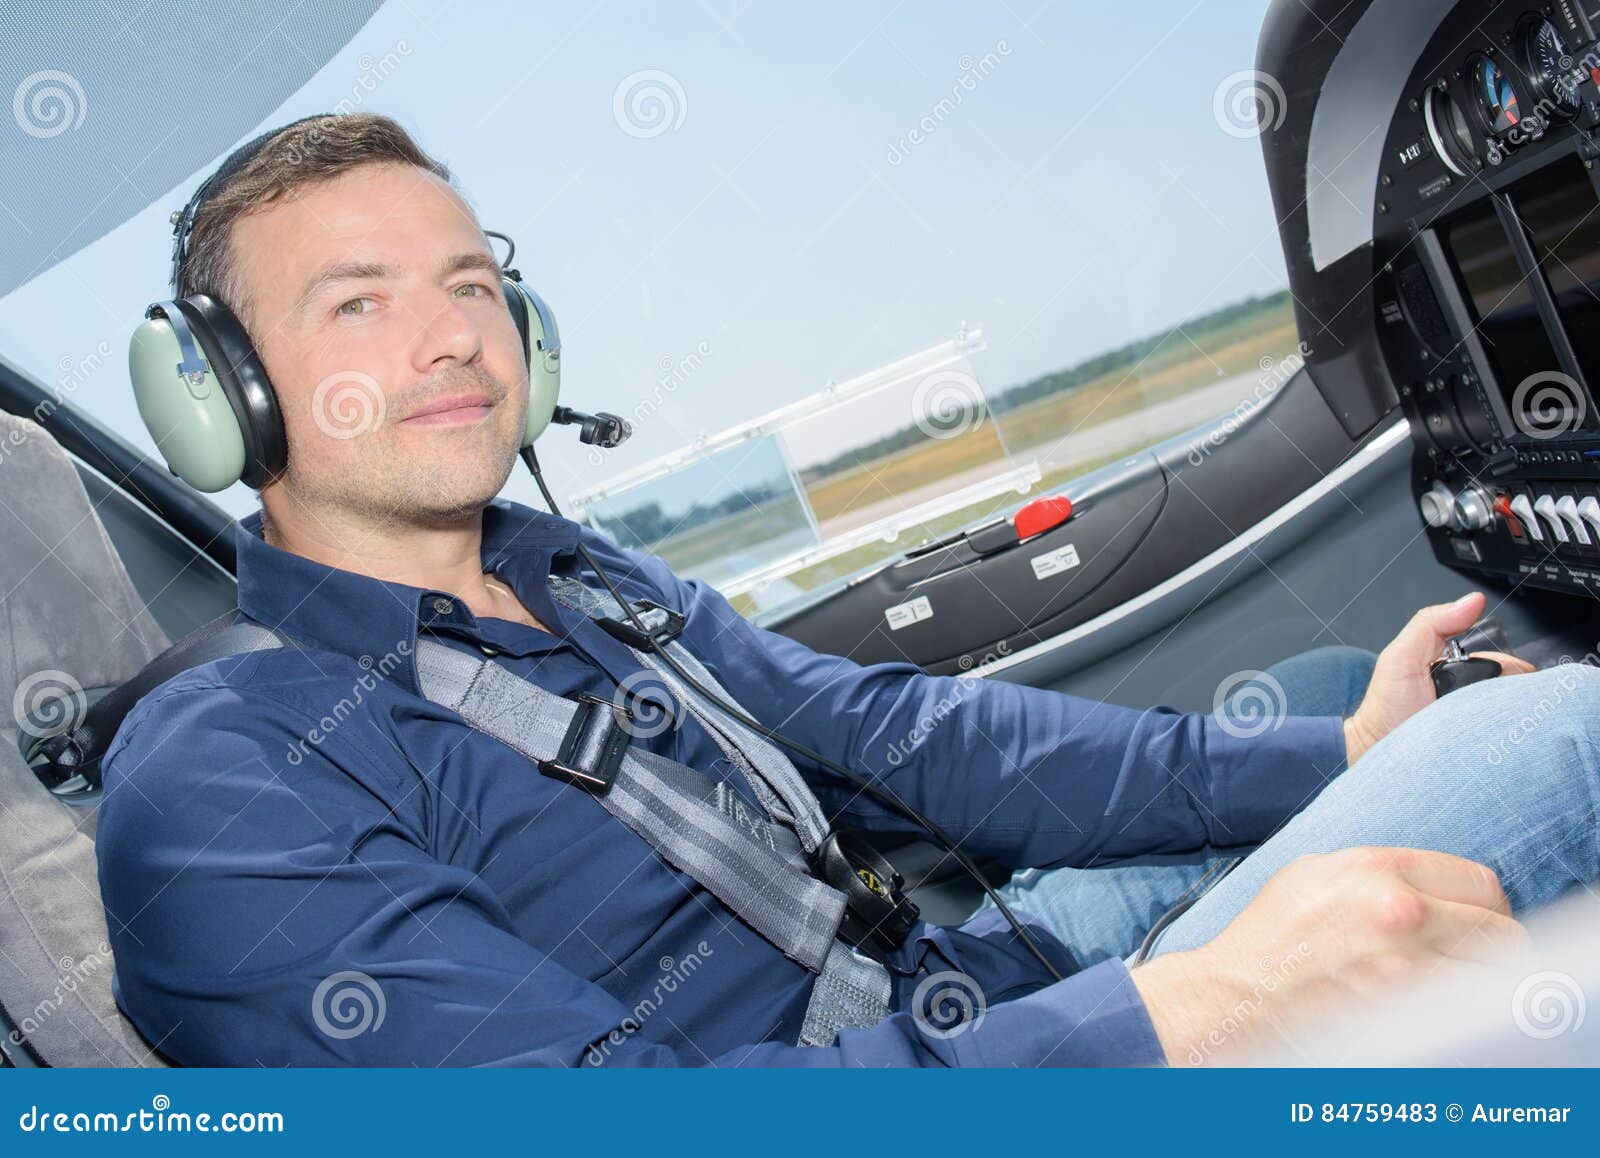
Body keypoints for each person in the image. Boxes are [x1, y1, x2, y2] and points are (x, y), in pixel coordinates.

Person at [96, 113, 1594, 1068]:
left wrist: (1338, 757)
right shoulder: (221, 784)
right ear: (219, 398)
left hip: (964, 994)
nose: (451, 340)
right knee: (1552, 739)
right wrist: (1189, 1013)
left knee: (1353, 700)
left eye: (472, 285)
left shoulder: (576, 583)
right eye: (359, 301)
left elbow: (914, 742)